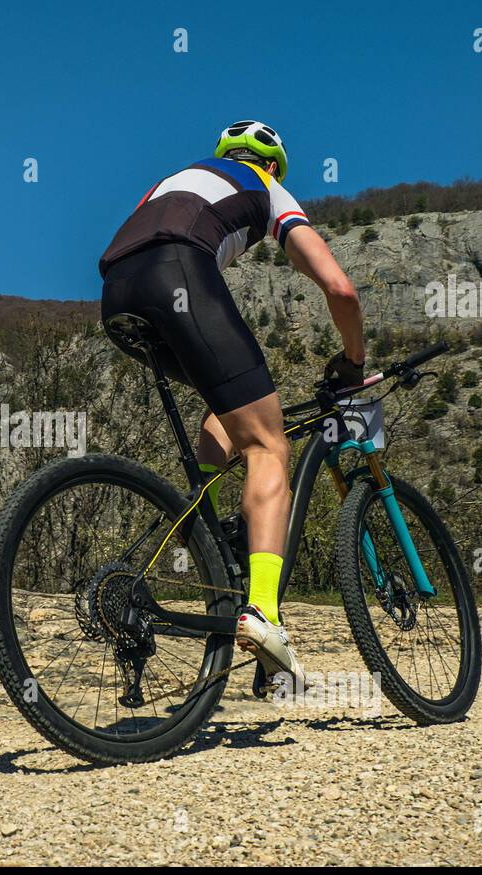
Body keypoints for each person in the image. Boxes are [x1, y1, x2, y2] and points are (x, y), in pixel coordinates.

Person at [99, 119, 367, 690]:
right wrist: (352, 360)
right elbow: (340, 289)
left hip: (116, 288)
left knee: (228, 407)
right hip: (178, 272)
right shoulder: (267, 187)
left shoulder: (177, 179)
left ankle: (207, 539)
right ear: (271, 165)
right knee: (269, 444)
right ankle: (263, 613)